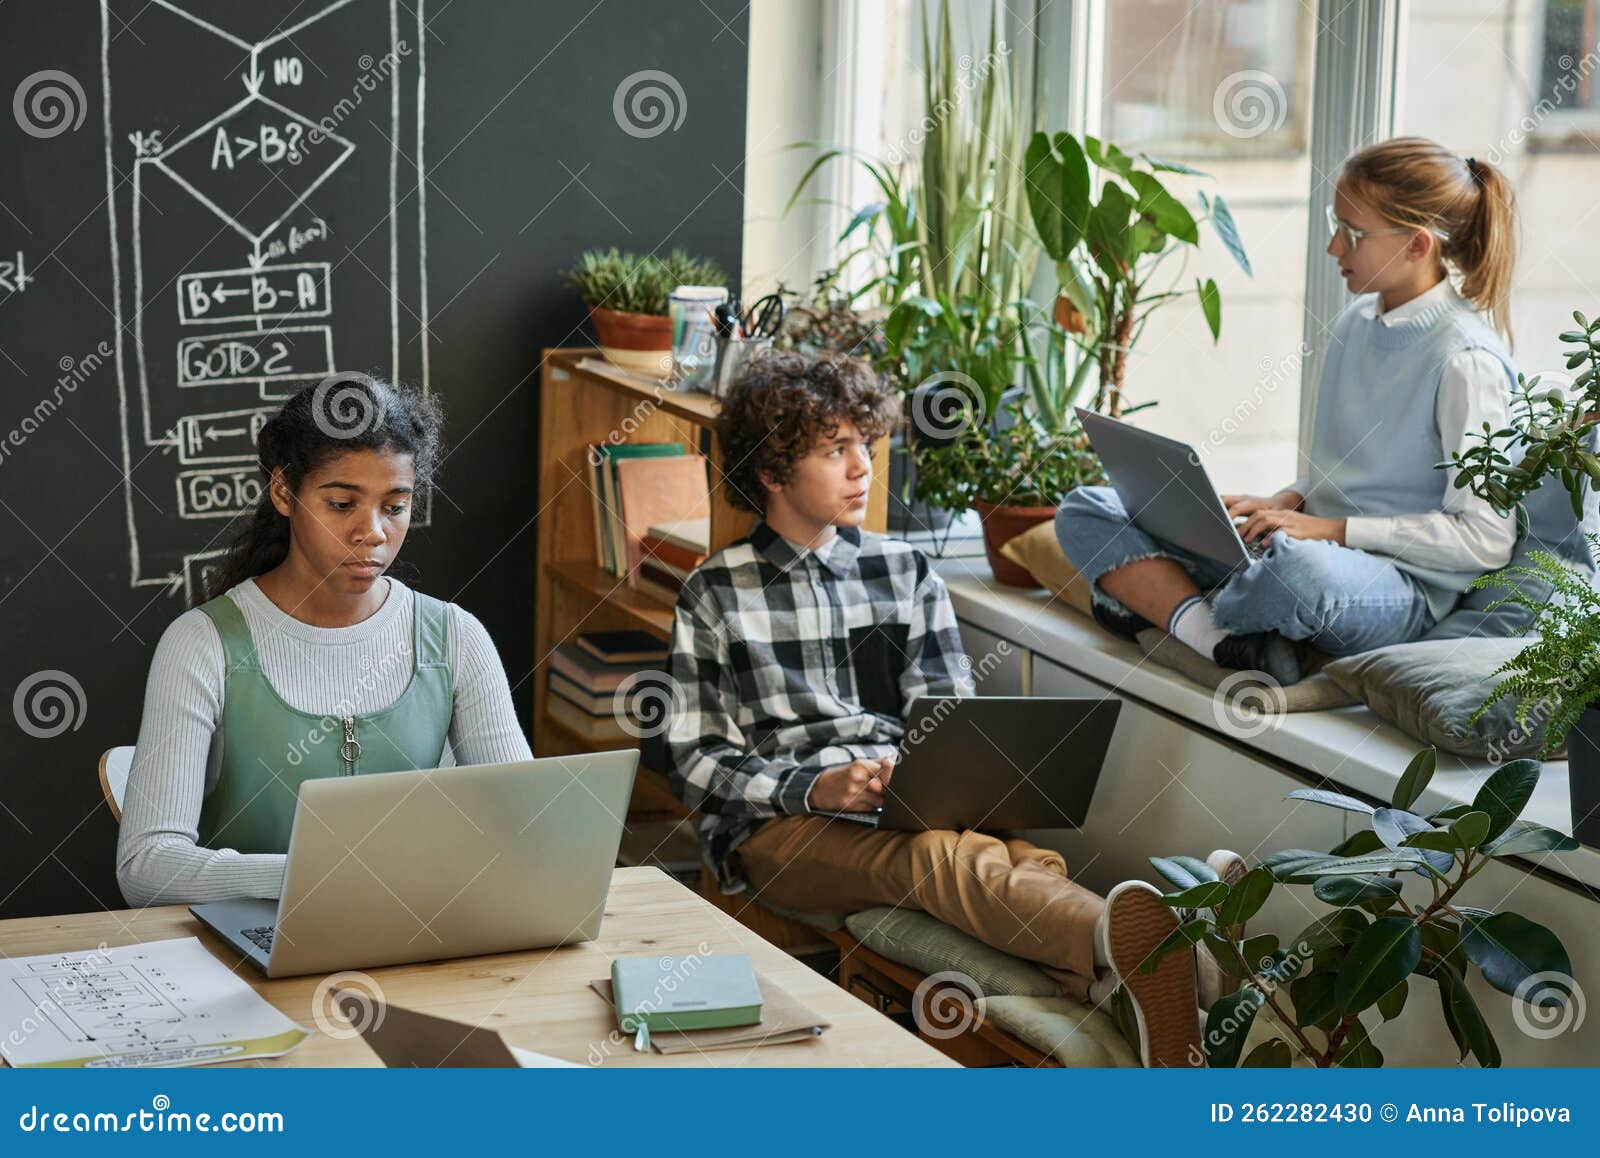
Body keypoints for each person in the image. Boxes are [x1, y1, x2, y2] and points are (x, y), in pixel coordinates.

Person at [663, 348, 1203, 1066]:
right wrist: (811, 786)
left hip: (905, 800)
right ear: (770, 471)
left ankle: (1127, 984)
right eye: (836, 449)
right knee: (934, 859)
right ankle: (1153, 946)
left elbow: (947, 712)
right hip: (778, 829)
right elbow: (693, 759)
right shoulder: (715, 592)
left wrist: (930, 774)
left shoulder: (904, 569)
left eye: (866, 444)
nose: (863, 467)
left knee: (985, 850)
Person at [1057, 137, 1521, 685]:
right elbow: (1349, 472)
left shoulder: (1467, 362)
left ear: (1417, 245)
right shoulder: (1356, 322)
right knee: (1087, 508)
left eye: (1353, 233)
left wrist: (1328, 530)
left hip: (1395, 587)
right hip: (1307, 543)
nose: (1333, 247)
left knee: (1295, 575)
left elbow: (1486, 538)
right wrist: (1287, 500)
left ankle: (1159, 603)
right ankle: (1218, 638)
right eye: (1335, 222)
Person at [116, 376, 530, 907]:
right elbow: (147, 868)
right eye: (340, 505)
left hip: (415, 948)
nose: (373, 531)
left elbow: (525, 830)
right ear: (285, 493)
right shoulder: (201, 644)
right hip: (242, 957)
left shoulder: (456, 639)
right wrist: (322, 881)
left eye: (395, 506)